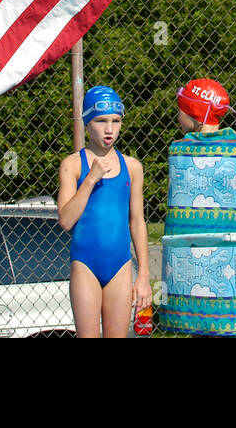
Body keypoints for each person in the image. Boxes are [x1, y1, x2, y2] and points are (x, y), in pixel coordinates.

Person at [161, 78, 236, 337]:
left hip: (196, 254)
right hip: (228, 254)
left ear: (195, 112)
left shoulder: (178, 149)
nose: (177, 115)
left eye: (180, 110)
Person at [57, 86, 151, 338]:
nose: (109, 129)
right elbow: (66, 220)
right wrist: (90, 180)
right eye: (100, 121)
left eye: (115, 121)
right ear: (87, 124)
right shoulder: (73, 165)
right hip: (85, 265)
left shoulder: (132, 167)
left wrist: (143, 275)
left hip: (120, 266)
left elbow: (137, 222)